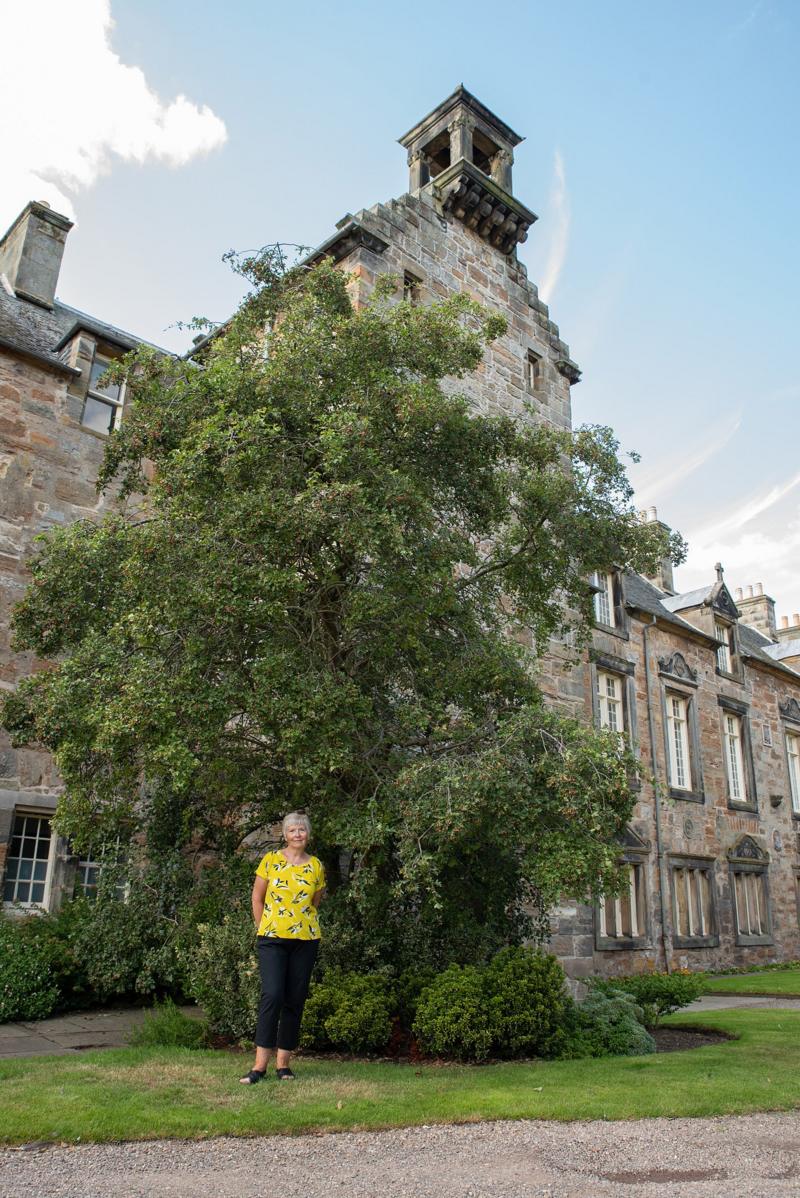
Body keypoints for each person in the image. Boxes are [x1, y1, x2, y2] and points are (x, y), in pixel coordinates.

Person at [239, 811, 326, 1083]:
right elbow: (257, 896)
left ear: (308, 834)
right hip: (272, 939)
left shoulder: (316, 866)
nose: (297, 834)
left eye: (301, 830)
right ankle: (258, 1067)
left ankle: (283, 1066)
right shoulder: (271, 861)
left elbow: (315, 900)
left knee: (294, 999)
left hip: (305, 940)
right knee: (273, 995)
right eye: (292, 830)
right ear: (285, 835)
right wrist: (262, 927)